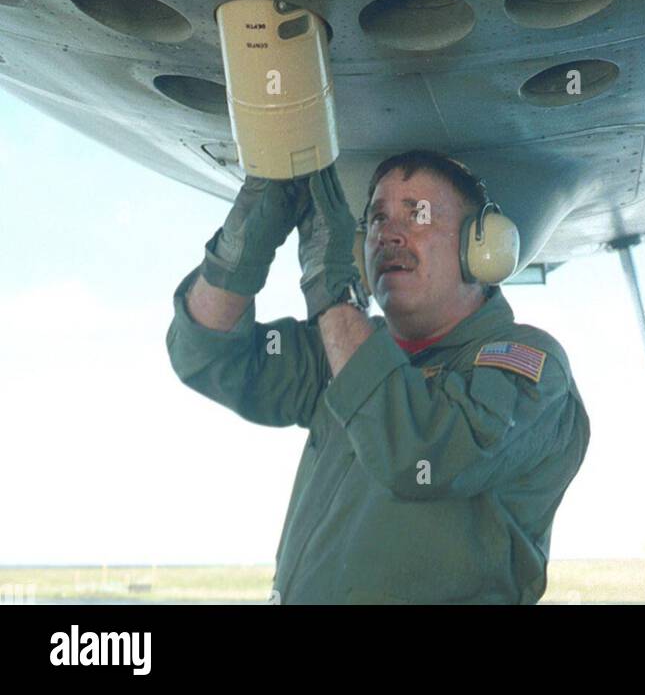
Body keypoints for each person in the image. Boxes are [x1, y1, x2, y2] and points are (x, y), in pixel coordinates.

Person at [166, 148, 590, 604]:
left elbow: (418, 452)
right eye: (377, 219)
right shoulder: (343, 351)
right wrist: (247, 236)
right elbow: (207, 353)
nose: (389, 234)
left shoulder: (529, 365)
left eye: (418, 215)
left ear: (480, 249)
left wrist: (330, 286)